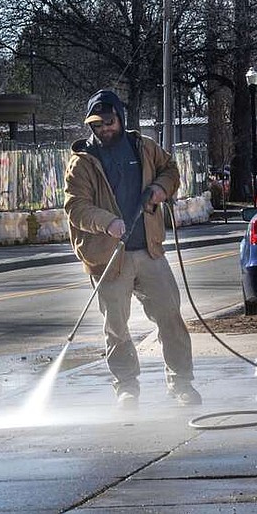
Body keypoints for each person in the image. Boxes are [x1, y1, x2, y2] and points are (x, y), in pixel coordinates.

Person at [63, 89, 201, 409]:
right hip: (109, 258)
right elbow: (76, 207)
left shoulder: (143, 147)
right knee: (117, 326)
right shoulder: (82, 162)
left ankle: (181, 384)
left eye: (109, 122)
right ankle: (126, 386)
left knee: (170, 316)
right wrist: (107, 222)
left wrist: (158, 188)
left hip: (148, 250)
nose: (104, 129)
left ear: (121, 119)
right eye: (97, 124)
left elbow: (171, 170)